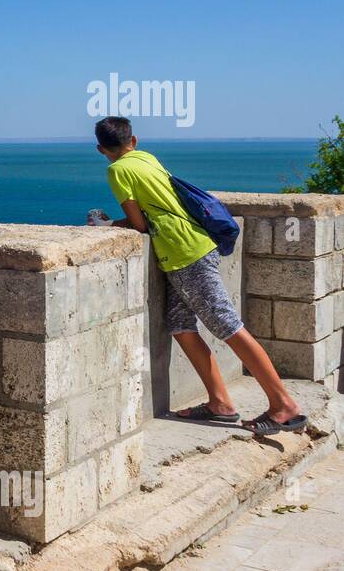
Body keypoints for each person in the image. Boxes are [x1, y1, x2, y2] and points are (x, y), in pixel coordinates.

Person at [93, 116, 305, 435]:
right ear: (133, 141)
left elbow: (140, 224)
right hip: (190, 246)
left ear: (100, 149)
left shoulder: (116, 170)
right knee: (179, 324)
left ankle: (283, 405)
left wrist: (111, 226)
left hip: (183, 253)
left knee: (227, 324)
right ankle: (220, 403)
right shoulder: (146, 158)